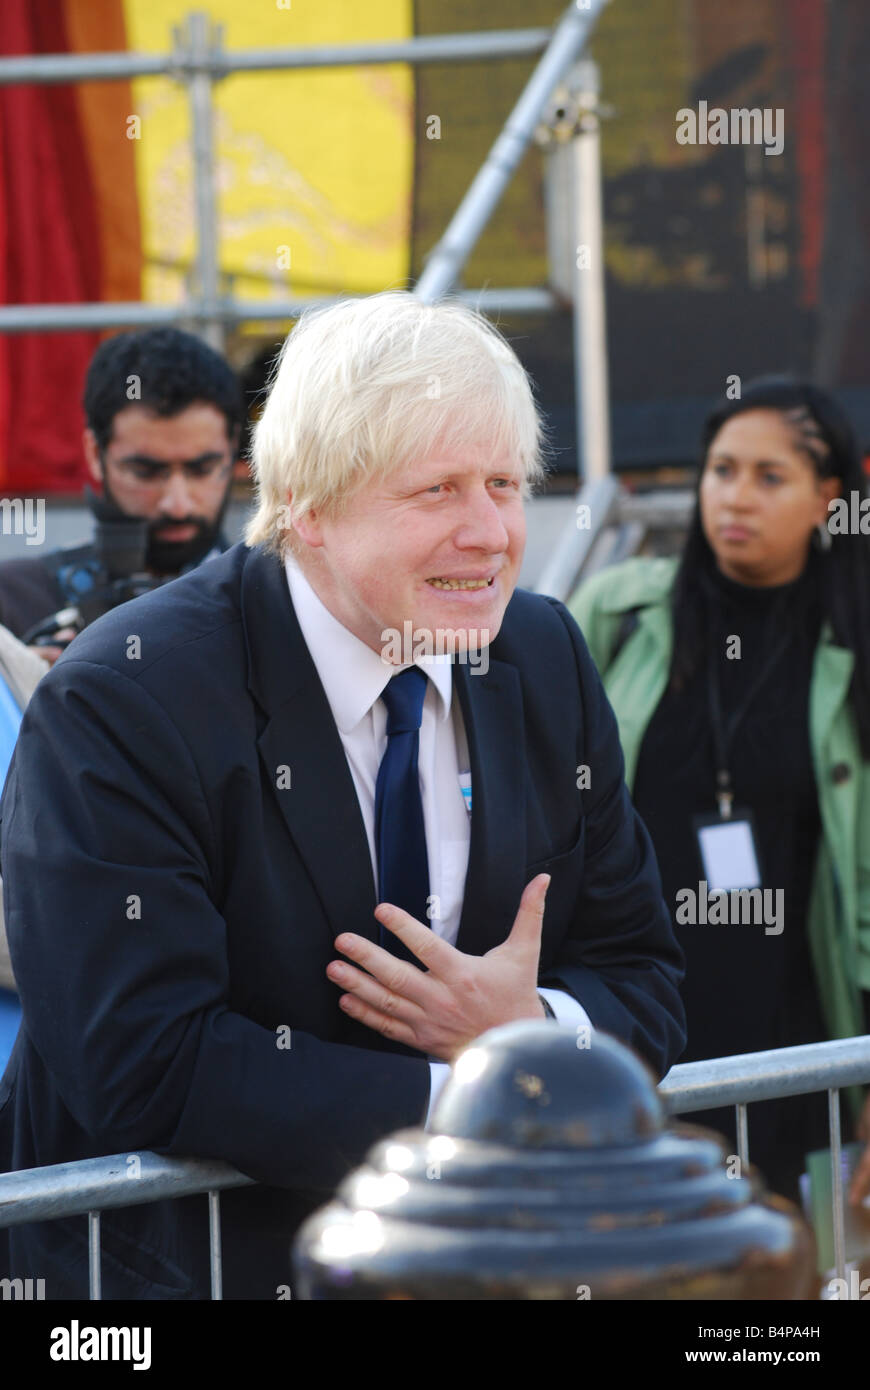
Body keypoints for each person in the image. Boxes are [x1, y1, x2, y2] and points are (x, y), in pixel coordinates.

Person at [0, 292, 685, 1300]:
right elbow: (143, 1059)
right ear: (309, 508)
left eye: (504, 482)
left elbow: (646, 974)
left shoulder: (543, 654)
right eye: (439, 490)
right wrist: (497, 1086)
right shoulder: (125, 699)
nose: (493, 531)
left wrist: (532, 1018)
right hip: (186, 1276)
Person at [569, 376, 870, 1205]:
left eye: (769, 477)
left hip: (802, 1041)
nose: (735, 497)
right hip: (635, 1030)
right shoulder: (615, 613)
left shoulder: (854, 643)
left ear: (828, 500)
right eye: (720, 469)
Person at [0, 327, 244, 664]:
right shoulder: (15, 601)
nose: (177, 504)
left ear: (233, 451)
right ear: (93, 453)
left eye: (202, 469)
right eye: (145, 471)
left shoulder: (274, 602)